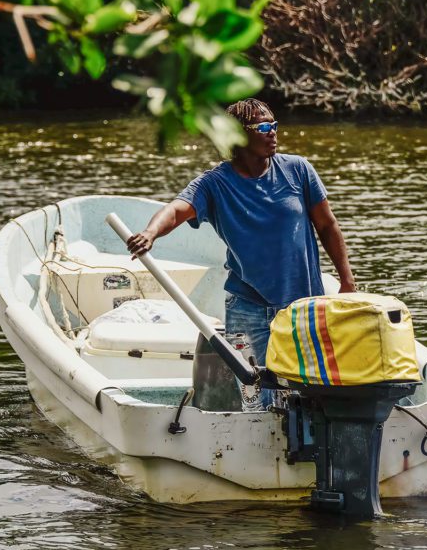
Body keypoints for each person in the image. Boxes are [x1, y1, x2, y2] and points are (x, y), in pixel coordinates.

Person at [125, 98, 356, 410]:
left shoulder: (298, 170)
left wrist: (347, 281)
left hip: (302, 305)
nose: (273, 132)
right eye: (263, 127)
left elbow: (327, 225)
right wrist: (150, 233)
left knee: (307, 396)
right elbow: (176, 210)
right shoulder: (215, 184)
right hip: (248, 311)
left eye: (274, 125)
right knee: (258, 403)